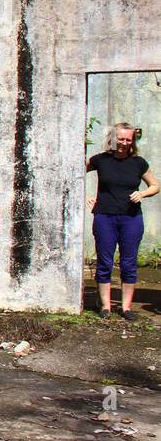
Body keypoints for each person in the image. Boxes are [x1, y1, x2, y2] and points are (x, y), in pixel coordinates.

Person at [87, 122, 159, 319]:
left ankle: (126, 308)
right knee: (105, 261)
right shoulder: (100, 160)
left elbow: (155, 185)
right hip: (104, 217)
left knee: (129, 263)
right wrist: (85, 196)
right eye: (121, 138)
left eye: (128, 139)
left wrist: (142, 194)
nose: (124, 143)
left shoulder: (138, 163)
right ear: (113, 138)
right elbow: (75, 175)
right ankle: (106, 307)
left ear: (132, 141)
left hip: (131, 219)